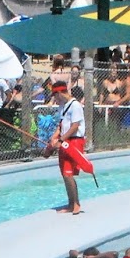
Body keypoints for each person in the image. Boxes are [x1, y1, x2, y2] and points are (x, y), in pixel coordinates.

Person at [45, 80, 86, 214]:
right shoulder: (62, 106)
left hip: (74, 141)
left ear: (60, 93)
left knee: (69, 173)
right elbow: (61, 125)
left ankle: (76, 203)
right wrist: (54, 138)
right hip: (64, 140)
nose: (55, 99)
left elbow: (75, 126)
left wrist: (61, 140)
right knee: (64, 173)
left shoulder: (75, 106)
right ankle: (70, 203)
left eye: (55, 96)